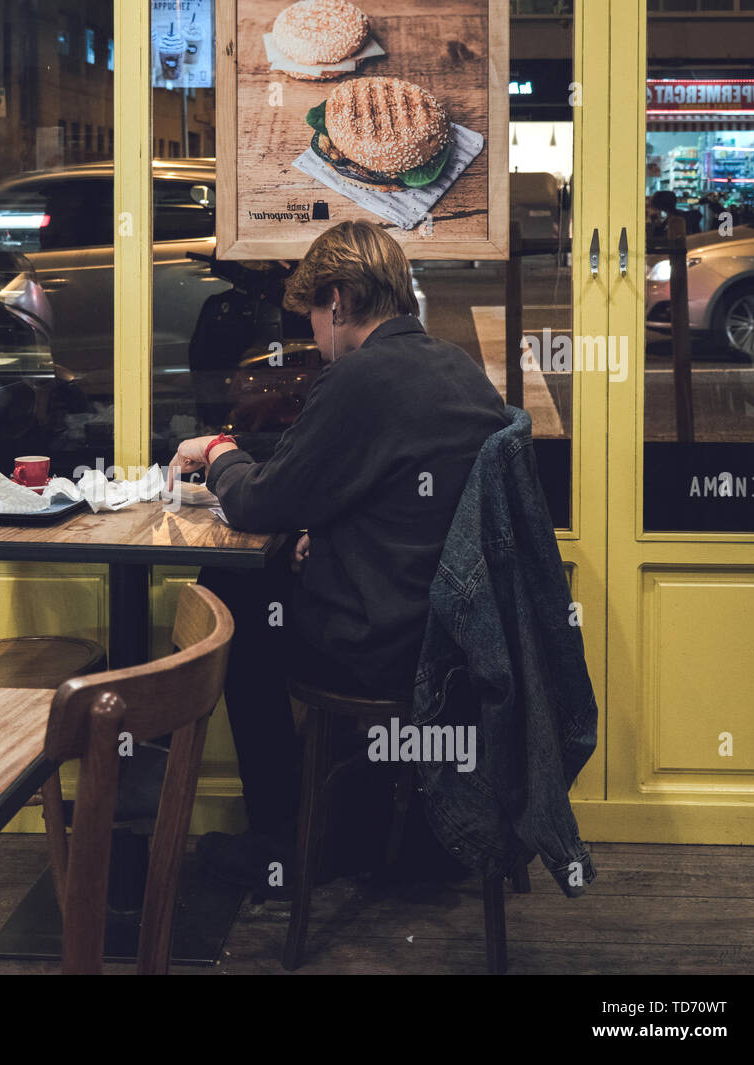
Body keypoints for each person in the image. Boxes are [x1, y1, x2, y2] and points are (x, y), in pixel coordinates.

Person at [167, 220, 508, 890]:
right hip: (457, 637)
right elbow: (392, 495)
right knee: (263, 585)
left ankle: (289, 841)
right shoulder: (458, 369)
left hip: (387, 640)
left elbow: (261, 503)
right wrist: (321, 537)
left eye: (313, 320)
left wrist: (217, 451)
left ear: (339, 300)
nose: (314, 341)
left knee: (230, 599)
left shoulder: (361, 376)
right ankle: (340, 823)